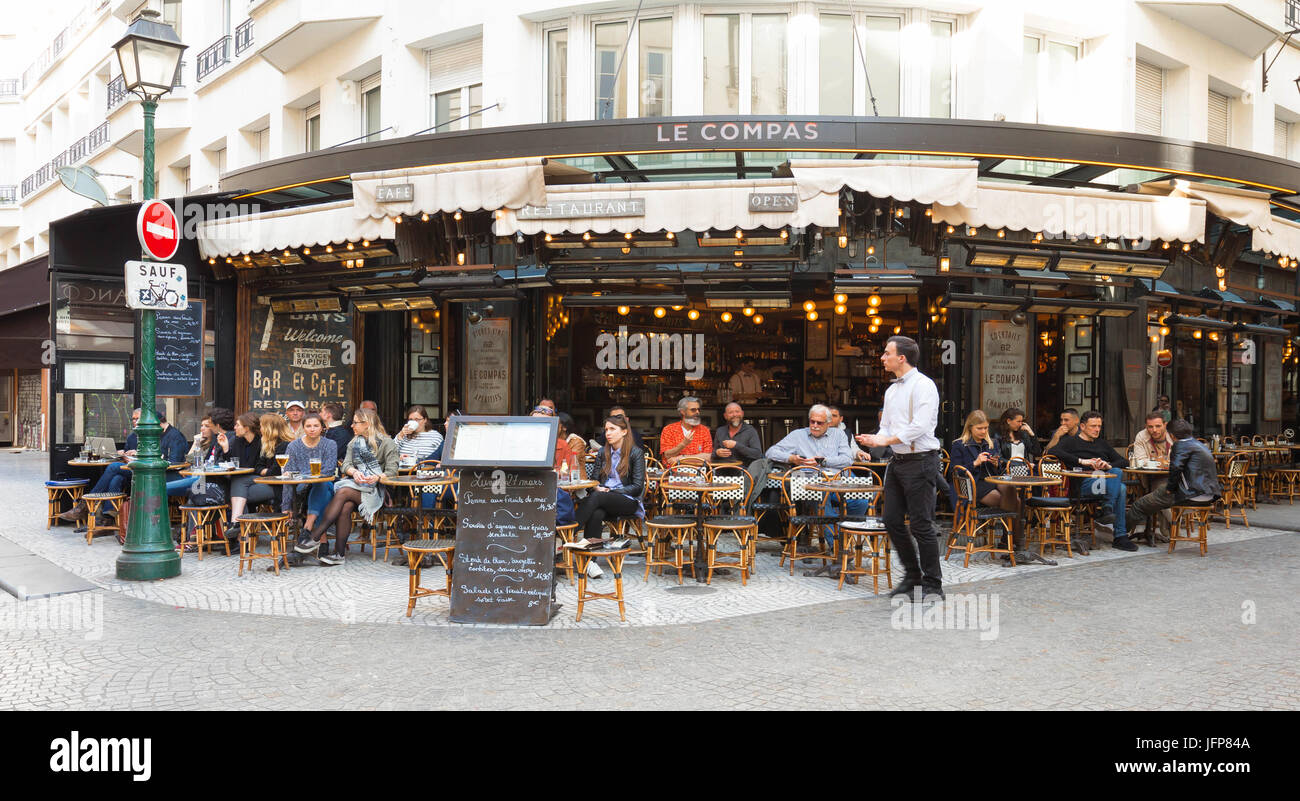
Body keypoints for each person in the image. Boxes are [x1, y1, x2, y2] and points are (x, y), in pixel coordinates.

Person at [856, 336, 944, 601]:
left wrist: (886, 440)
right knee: (891, 520)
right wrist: (875, 439)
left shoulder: (924, 386)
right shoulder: (892, 390)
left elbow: (920, 426)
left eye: (886, 353)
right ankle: (913, 575)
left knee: (921, 525)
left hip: (921, 461)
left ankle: (933, 584)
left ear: (901, 358)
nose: (882, 358)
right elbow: (888, 426)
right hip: (898, 462)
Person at [294, 408, 398, 565]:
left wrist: (376, 477)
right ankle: (339, 554)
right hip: (356, 486)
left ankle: (315, 536)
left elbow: (392, 471)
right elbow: (346, 465)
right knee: (345, 506)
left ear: (367, 424)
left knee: (343, 492)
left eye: (355, 422)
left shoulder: (387, 443)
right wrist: (355, 472)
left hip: (378, 489)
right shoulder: (354, 442)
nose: (351, 426)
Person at [61, 407, 188, 524]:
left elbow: (174, 462)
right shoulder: (151, 434)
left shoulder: (175, 436)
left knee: (113, 467)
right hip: (143, 471)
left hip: (165, 475)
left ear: (155, 423)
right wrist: (127, 456)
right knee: (117, 478)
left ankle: (85, 506)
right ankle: (108, 516)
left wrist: (140, 455)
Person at [1054, 411, 1137, 551]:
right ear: (1082, 426)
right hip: (1082, 485)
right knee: (1120, 487)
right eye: (1093, 426)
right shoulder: (1071, 442)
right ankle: (1120, 535)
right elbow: (1053, 452)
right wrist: (1082, 461)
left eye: (1099, 426)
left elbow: (1123, 461)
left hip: (1104, 484)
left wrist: (1107, 465)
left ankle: (1107, 509)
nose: (1097, 429)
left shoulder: (1101, 444)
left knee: (1118, 476)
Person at [1128, 419, 1221, 529]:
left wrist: (1170, 488)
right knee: (1157, 496)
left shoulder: (1180, 445)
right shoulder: (1199, 444)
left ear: (1171, 435)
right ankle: (1166, 531)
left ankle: (1121, 534)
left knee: (1139, 505)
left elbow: (1176, 467)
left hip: (1191, 493)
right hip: (1209, 495)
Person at [951, 410, 1024, 547]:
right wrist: (975, 463)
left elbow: (997, 472)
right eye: (979, 428)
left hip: (992, 480)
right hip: (973, 484)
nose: (983, 431)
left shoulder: (992, 443)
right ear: (970, 427)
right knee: (1016, 501)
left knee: (1011, 490)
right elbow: (954, 472)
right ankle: (1011, 542)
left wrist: (996, 464)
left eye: (985, 428)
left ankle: (1009, 541)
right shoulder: (959, 445)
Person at [574, 415, 645, 540]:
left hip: (628, 500)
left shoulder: (636, 453)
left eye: (612, 429)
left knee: (595, 497)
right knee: (596, 513)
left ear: (624, 431)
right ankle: (591, 556)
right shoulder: (602, 452)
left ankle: (567, 533)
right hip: (602, 498)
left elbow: (637, 487)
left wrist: (610, 491)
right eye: (606, 430)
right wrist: (595, 488)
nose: (608, 433)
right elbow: (593, 481)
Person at [226, 413, 294, 534]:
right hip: (269, 482)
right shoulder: (267, 443)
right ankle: (240, 532)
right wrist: (266, 472)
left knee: (238, 495)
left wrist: (266, 471)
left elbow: (276, 472)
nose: (260, 429)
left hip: (281, 487)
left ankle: (239, 530)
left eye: (262, 426)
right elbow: (258, 467)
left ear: (269, 428)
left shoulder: (284, 445)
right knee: (239, 491)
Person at [281, 413, 338, 535]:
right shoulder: (293, 446)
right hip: (301, 488)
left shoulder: (330, 444)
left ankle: (308, 526)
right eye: (308, 426)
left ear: (322, 427)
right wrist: (286, 506)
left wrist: (302, 474)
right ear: (303, 427)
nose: (312, 429)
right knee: (324, 487)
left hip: (323, 483)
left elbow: (328, 470)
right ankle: (322, 538)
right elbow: (288, 476)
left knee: (322, 484)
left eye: (316, 426)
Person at [166, 408, 234, 498]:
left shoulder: (228, 439)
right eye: (202, 425)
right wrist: (196, 443)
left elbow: (222, 464)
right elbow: (190, 461)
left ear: (216, 425)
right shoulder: (215, 439)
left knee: (164, 488)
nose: (202, 429)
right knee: (165, 479)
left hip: (207, 480)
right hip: (199, 476)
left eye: (208, 425)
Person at [765, 404, 853, 469]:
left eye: (819, 423)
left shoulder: (839, 434)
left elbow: (848, 460)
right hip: (805, 482)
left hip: (832, 481)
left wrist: (823, 461)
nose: (815, 425)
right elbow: (770, 452)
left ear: (828, 423)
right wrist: (791, 458)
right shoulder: (798, 435)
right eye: (812, 421)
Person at [659, 396, 713, 466]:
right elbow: (667, 455)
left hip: (699, 473)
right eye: (693, 410)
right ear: (683, 412)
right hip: (674, 473)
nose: (697, 412)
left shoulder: (704, 430)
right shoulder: (669, 429)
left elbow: (708, 457)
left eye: (698, 409)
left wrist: (681, 458)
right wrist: (683, 444)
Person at [532, 405, 575, 472]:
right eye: (535, 423)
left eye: (544, 423)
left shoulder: (563, 445)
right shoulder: (521, 443)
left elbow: (571, 472)